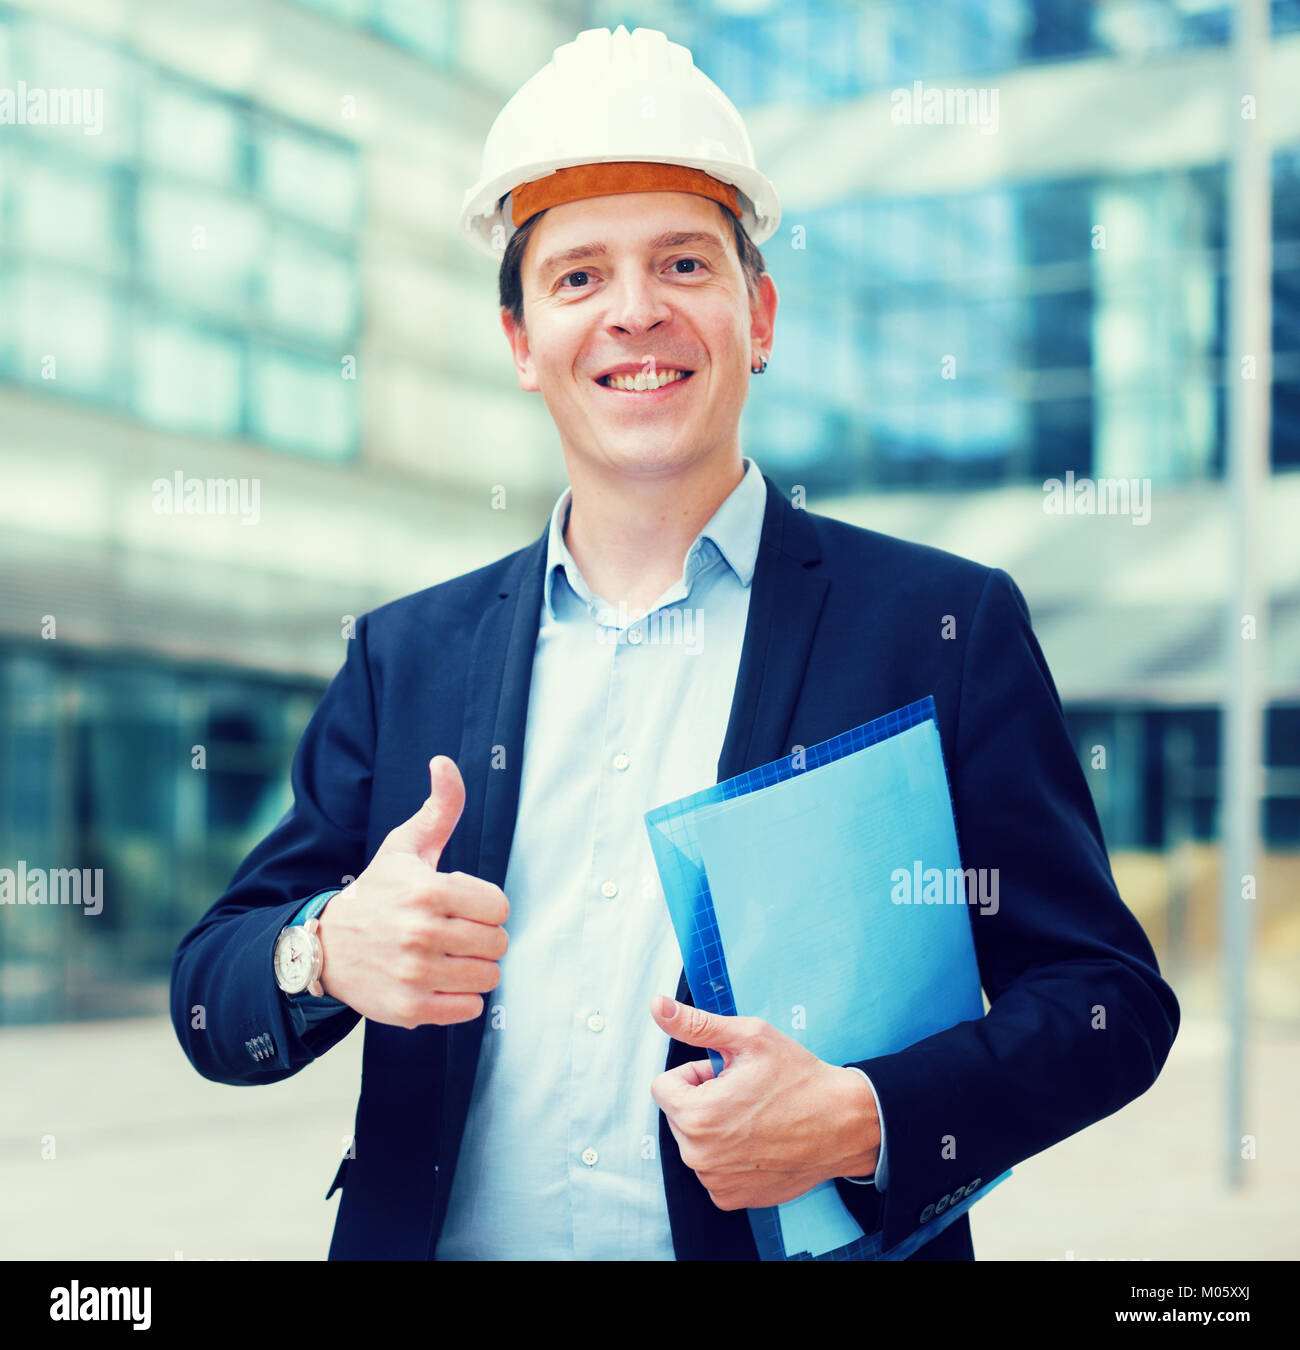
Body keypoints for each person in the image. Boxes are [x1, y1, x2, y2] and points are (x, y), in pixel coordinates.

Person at [170, 25, 1179, 1262]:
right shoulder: (407, 655)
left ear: (757, 315)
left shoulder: (937, 629)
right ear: (521, 345)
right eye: (579, 277)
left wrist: (868, 1119)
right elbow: (211, 998)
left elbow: (1106, 1005)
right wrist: (321, 950)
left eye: (684, 264)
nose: (635, 313)